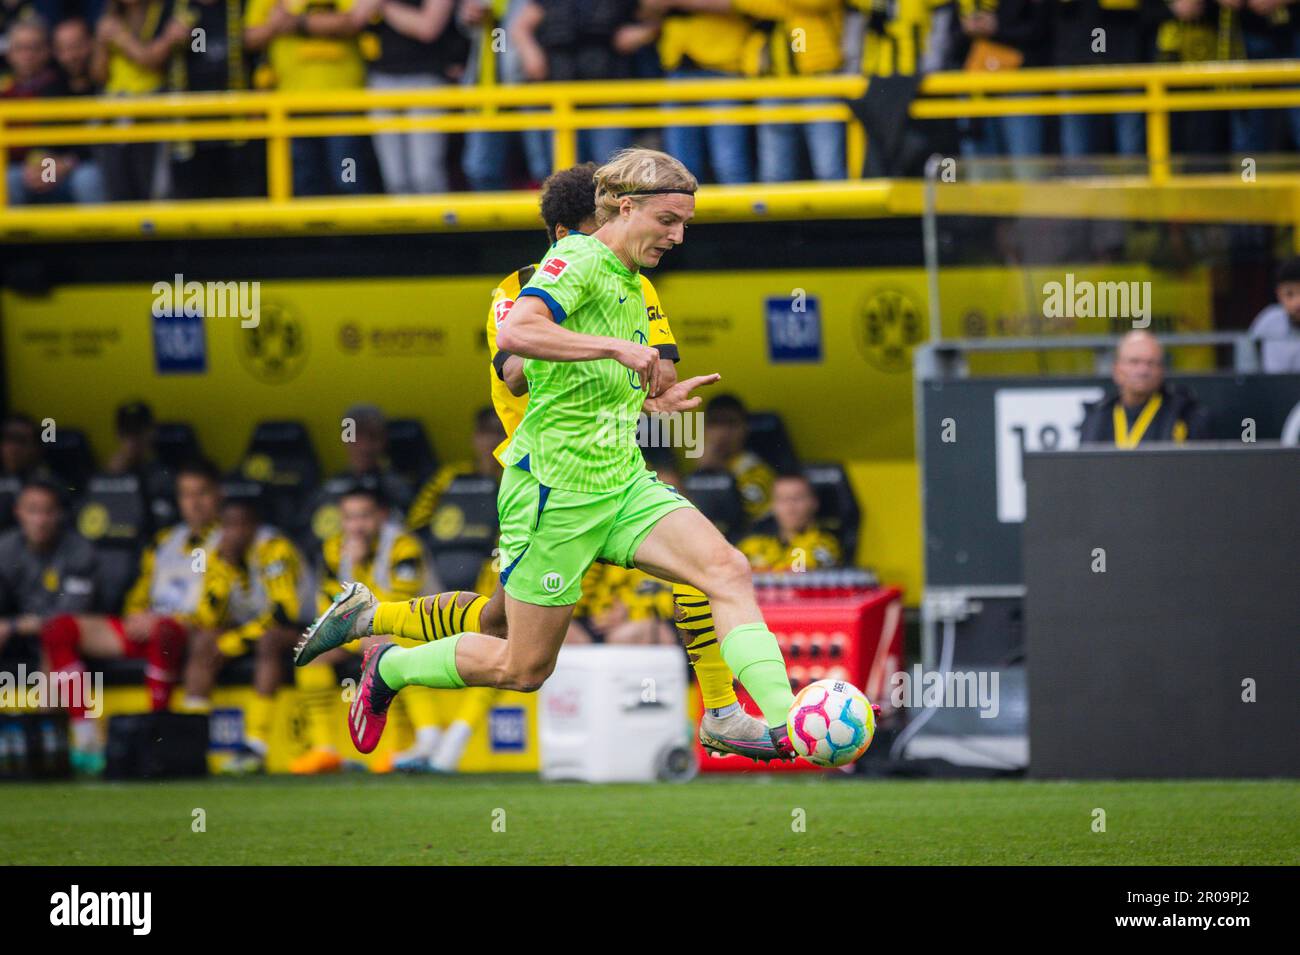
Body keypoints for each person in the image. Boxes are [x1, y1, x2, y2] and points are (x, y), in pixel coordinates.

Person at [303, 148, 801, 762]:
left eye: (685, 224)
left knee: (723, 571)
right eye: (670, 221)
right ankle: (393, 665)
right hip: (552, 490)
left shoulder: (632, 282)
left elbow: (651, 368)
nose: (678, 236)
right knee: (519, 660)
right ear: (621, 208)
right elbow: (516, 346)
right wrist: (613, 351)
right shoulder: (572, 260)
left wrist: (657, 397)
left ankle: (782, 720)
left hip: (619, 479)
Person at [36, 459, 222, 774]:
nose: (193, 502)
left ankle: (155, 734)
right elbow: (141, 591)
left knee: (164, 629)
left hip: (190, 631)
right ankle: (86, 737)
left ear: (218, 495)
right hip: (152, 626)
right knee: (59, 629)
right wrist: (136, 614)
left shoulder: (227, 540)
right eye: (186, 494)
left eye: (201, 493)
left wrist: (166, 619)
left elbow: (220, 604)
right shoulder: (165, 542)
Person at [294, 481, 444, 773]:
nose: (356, 525)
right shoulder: (332, 549)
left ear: (382, 515)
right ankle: (325, 749)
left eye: (364, 516)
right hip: (366, 630)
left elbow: (399, 606)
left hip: (420, 625)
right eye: (349, 517)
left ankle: (419, 741)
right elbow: (329, 605)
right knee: (312, 651)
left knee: (384, 641)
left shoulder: (403, 546)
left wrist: (359, 564)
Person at [179, 484, 314, 774]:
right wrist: (225, 570)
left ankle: (256, 745)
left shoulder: (274, 548)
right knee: (203, 640)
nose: (234, 532)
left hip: (304, 628)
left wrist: (237, 641)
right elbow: (208, 615)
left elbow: (284, 613)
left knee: (270, 640)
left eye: (241, 525)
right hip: (249, 628)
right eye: (228, 525)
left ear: (255, 525)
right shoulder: (216, 552)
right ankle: (191, 740)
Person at [0, 480, 100, 772]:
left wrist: (15, 625)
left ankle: (48, 747)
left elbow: (69, 615)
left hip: (72, 637)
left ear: (58, 514)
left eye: (47, 512)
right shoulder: (5, 550)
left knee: (53, 636)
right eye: (33, 511)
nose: (40, 520)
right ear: (19, 512)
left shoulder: (79, 551)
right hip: (17, 637)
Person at [243, 0, 373, 196]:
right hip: (290, 102)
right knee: (303, 184)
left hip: (343, 99)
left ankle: (355, 227)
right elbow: (249, 38)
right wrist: (277, 26)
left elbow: (354, 21)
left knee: (348, 179)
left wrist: (296, 23)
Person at [359, 0, 464, 195]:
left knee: (425, 175)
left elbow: (428, 28)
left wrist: (384, 6)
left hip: (426, 79)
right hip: (381, 80)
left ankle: (434, 225)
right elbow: (353, 19)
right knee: (395, 179)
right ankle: (402, 226)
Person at [3, 16, 107, 204]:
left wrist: (65, 164)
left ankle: (100, 233)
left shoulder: (105, 83)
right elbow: (47, 145)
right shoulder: (53, 88)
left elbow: (100, 146)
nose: (71, 56)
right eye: (64, 49)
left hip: (85, 168)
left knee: (86, 179)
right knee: (13, 180)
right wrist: (41, 167)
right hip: (54, 168)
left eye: (77, 46)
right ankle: (25, 233)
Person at [1079, 330, 1211, 446]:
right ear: (1116, 369)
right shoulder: (1097, 416)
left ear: (1162, 370)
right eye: (1134, 362)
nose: (1143, 370)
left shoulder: (1184, 414)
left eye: (1151, 363)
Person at [694, 392, 776, 523]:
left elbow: (757, 523)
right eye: (715, 423)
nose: (722, 432)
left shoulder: (755, 472)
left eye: (731, 423)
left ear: (745, 428)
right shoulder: (695, 465)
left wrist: (717, 471)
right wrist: (702, 473)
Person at [739, 472, 840, 571]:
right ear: (772, 505)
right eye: (782, 499)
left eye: (797, 498)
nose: (790, 508)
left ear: (814, 502)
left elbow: (800, 579)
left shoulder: (823, 546)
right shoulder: (752, 546)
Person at [1248, 257, 1300, 373]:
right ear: (1279, 294)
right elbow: (1248, 358)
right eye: (1290, 294)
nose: (1298, 302)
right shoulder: (1268, 320)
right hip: (1273, 388)